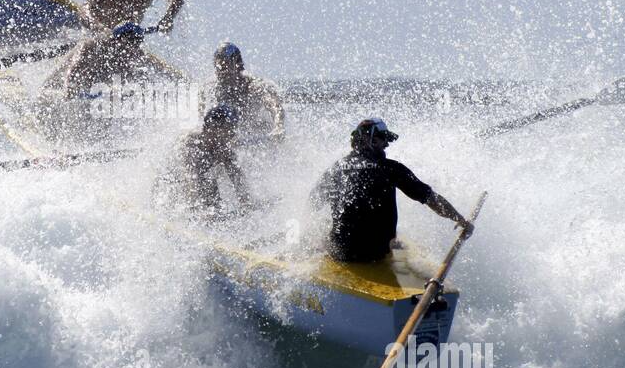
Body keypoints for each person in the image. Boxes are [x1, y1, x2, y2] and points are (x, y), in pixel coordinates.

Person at [310, 118, 473, 263]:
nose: (387, 144)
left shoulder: (335, 169)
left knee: (326, 228)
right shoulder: (390, 168)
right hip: (374, 254)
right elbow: (431, 199)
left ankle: (321, 245)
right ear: (371, 140)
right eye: (384, 139)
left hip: (340, 253)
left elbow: (312, 203)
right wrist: (460, 219)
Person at [157, 106, 253, 215]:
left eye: (231, 133)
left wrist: (246, 203)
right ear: (209, 129)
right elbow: (190, 177)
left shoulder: (223, 148)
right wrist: (197, 210)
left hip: (197, 178)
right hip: (169, 183)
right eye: (228, 132)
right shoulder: (190, 144)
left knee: (215, 203)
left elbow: (238, 178)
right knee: (194, 198)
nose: (230, 138)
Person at [59, 22, 169, 99]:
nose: (133, 48)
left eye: (137, 43)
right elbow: (73, 71)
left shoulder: (128, 58)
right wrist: (70, 87)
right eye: (130, 42)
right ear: (117, 39)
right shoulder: (92, 47)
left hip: (93, 97)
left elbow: (134, 82)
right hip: (60, 90)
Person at [200, 42, 285, 140]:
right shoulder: (211, 88)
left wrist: (279, 126)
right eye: (219, 67)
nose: (222, 72)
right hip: (233, 134)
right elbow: (202, 117)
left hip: (259, 133)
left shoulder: (255, 85)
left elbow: (275, 105)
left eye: (226, 66)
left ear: (238, 65)